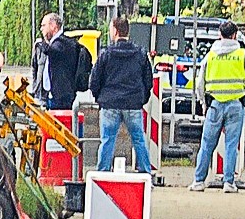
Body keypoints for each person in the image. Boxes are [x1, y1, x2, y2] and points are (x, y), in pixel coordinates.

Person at [192, 22, 245, 193]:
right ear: (235, 35)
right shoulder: (242, 55)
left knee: (207, 144)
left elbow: (199, 83)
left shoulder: (210, 56)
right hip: (236, 104)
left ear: (219, 35)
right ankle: (229, 183)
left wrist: (203, 102)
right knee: (231, 145)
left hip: (214, 104)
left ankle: (198, 181)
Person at [88, 16, 154, 174]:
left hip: (110, 104)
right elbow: (148, 81)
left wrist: (100, 98)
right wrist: (141, 99)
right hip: (133, 104)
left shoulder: (106, 54)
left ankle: (102, 174)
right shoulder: (140, 53)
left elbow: (94, 80)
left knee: (107, 140)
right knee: (139, 139)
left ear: (115, 31)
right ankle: (146, 173)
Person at [32, 13, 84, 109]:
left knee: (58, 123)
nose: (41, 29)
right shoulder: (54, 43)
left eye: (44, 25)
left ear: (53, 26)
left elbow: (53, 51)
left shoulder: (64, 43)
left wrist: (41, 44)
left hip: (61, 98)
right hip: (49, 95)